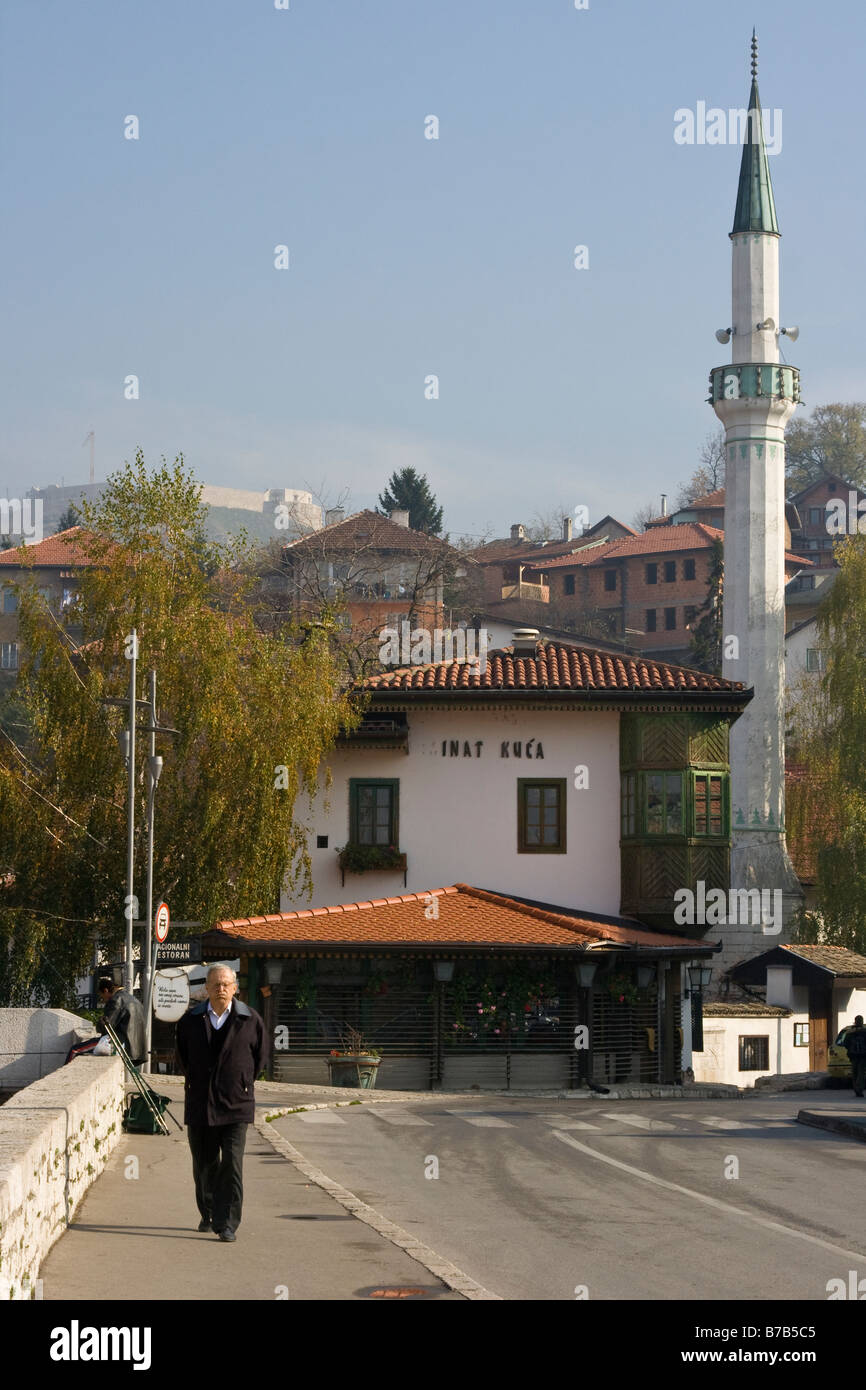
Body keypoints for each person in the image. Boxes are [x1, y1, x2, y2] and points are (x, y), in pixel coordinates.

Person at [174, 964, 267, 1242]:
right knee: (204, 1165)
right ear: (206, 988)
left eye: (226, 984)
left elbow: (260, 1058)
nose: (221, 989)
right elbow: (183, 1058)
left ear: (235, 988)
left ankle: (227, 1223)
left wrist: (241, 1082)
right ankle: (209, 1213)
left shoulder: (250, 1020)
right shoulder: (190, 1020)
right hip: (200, 1102)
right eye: (215, 984)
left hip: (236, 1103)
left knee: (232, 1164)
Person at [96, 977, 146, 1064]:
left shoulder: (115, 1000)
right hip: (138, 1051)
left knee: (75, 1049)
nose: (102, 999)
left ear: (106, 990)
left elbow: (106, 1027)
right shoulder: (133, 999)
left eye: (101, 995)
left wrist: (99, 1023)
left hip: (123, 1047)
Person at [844, 1014, 866, 1097]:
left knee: (855, 1073)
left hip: (853, 1055)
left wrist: (850, 1049)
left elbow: (845, 1043)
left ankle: (856, 1088)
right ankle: (859, 1089)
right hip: (863, 1055)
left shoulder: (850, 1032)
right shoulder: (864, 1031)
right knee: (861, 1073)